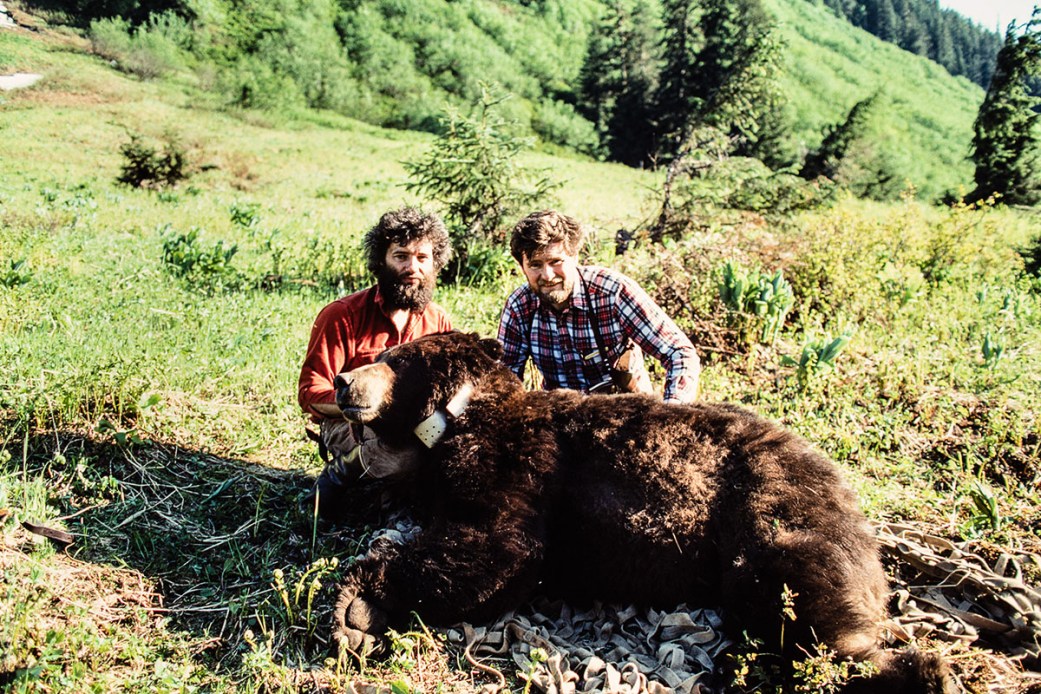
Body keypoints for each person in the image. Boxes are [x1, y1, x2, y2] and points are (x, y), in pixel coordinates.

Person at [299, 207, 453, 517]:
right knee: (404, 456)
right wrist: (364, 408)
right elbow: (310, 394)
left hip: (416, 424)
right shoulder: (343, 316)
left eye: (423, 258)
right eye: (401, 256)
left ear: (435, 263)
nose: (413, 267)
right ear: (380, 260)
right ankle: (341, 474)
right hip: (349, 422)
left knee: (451, 447)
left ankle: (390, 496)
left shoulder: (438, 322)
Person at [497, 210, 700, 403]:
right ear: (521, 265)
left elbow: (679, 353)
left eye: (555, 261)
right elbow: (502, 383)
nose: (548, 276)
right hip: (561, 419)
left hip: (626, 413)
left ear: (575, 256)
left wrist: (671, 413)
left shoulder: (612, 292)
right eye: (535, 265)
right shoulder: (520, 307)